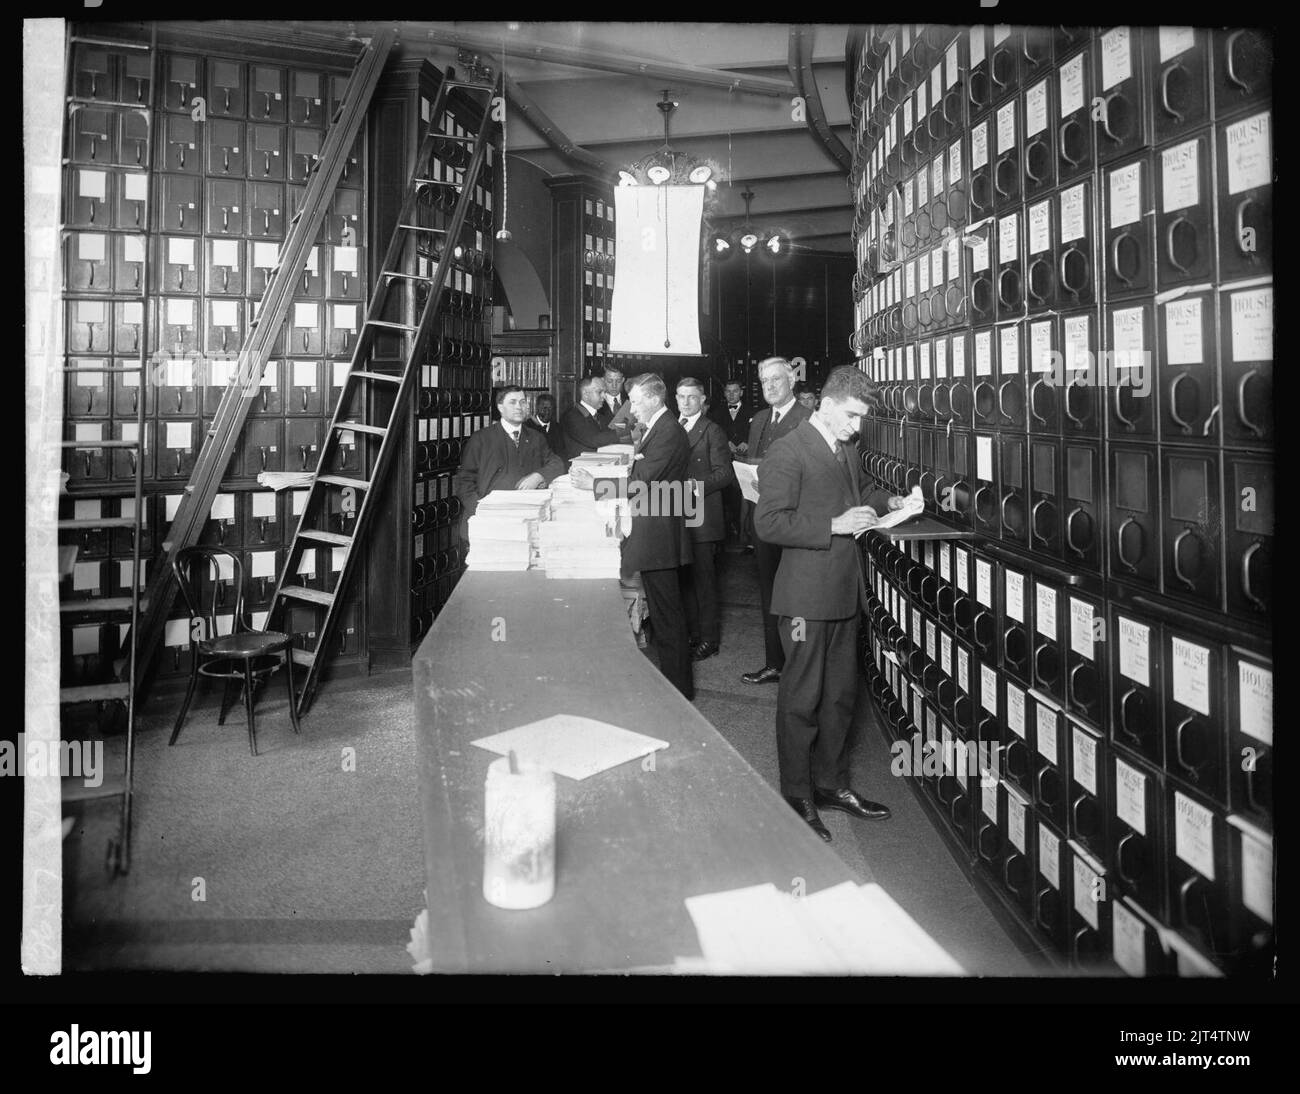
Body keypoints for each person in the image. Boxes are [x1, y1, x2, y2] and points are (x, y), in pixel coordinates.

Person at [755, 365, 910, 842]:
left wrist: (893, 502)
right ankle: (797, 795)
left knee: (841, 697)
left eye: (862, 419)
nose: (856, 426)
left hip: (844, 592)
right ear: (824, 403)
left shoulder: (847, 447)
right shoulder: (787, 450)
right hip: (804, 599)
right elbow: (768, 523)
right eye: (851, 415)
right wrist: (834, 526)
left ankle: (831, 785)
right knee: (802, 699)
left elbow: (857, 494)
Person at [620, 373, 694, 699]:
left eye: (636, 401)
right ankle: (675, 685)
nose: (632, 408)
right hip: (656, 532)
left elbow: (641, 479)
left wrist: (592, 485)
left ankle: (678, 691)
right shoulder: (660, 428)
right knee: (665, 613)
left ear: (653, 399)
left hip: (660, 535)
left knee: (668, 615)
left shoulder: (667, 431)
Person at [740, 357, 812, 685]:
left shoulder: (808, 419)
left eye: (776, 380)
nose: (769, 386)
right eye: (764, 381)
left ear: (792, 380)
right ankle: (775, 662)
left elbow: (815, 475)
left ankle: (799, 665)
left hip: (792, 521)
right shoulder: (758, 419)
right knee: (768, 593)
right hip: (762, 519)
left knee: (796, 596)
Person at [452, 385, 565, 538]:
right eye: (512, 402)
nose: (519, 407)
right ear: (500, 407)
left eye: (523, 402)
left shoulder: (535, 437)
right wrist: (482, 510)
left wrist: (538, 475)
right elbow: (463, 482)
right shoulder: (481, 439)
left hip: (524, 520)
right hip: (488, 522)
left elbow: (557, 464)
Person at [675, 378, 734, 661]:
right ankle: (691, 633)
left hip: (703, 516)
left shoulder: (712, 431)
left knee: (705, 582)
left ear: (702, 401)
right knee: (684, 578)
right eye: (681, 397)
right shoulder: (672, 427)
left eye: (692, 398)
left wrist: (693, 488)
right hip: (676, 513)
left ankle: (709, 639)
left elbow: (725, 474)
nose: (686, 403)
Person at [710, 379, 751, 544]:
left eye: (735, 391)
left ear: (741, 392)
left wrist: (748, 441)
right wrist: (724, 442)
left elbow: (758, 433)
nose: (732, 394)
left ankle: (743, 532)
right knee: (725, 496)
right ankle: (727, 532)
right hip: (723, 462)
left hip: (745, 461)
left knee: (743, 496)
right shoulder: (715, 413)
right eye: (728, 391)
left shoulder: (753, 412)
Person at [559, 375, 622, 462]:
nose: (604, 396)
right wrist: (625, 430)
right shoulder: (571, 416)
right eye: (599, 392)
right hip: (578, 470)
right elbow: (594, 439)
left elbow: (609, 436)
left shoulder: (601, 416)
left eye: (604, 392)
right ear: (585, 394)